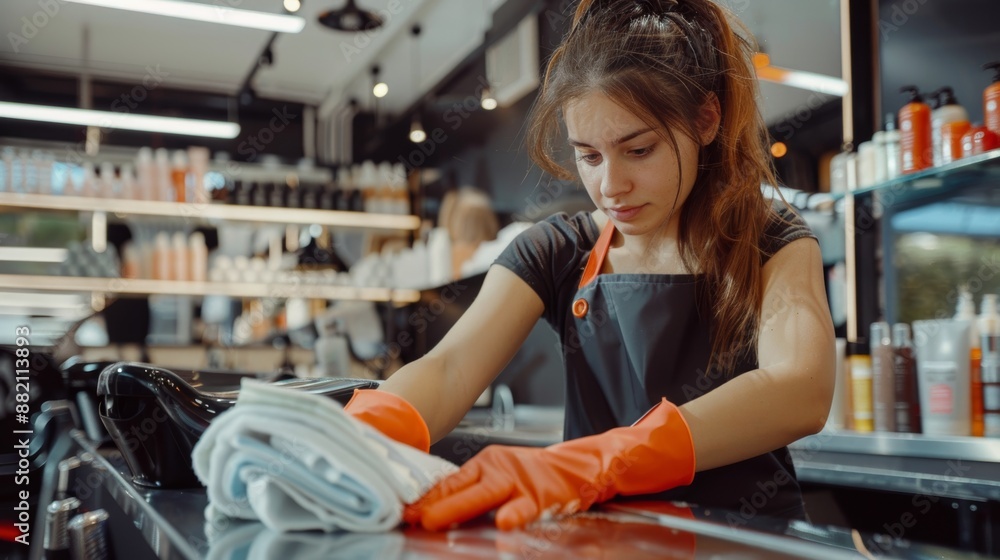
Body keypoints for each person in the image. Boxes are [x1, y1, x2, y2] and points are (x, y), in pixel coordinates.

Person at [344, 0, 835, 531]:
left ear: (706, 120)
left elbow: (799, 388)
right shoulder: (555, 251)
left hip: (746, 537)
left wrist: (599, 461)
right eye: (589, 155)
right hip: (605, 537)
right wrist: (347, 439)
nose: (610, 186)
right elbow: (449, 369)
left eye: (639, 150)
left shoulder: (772, 240)